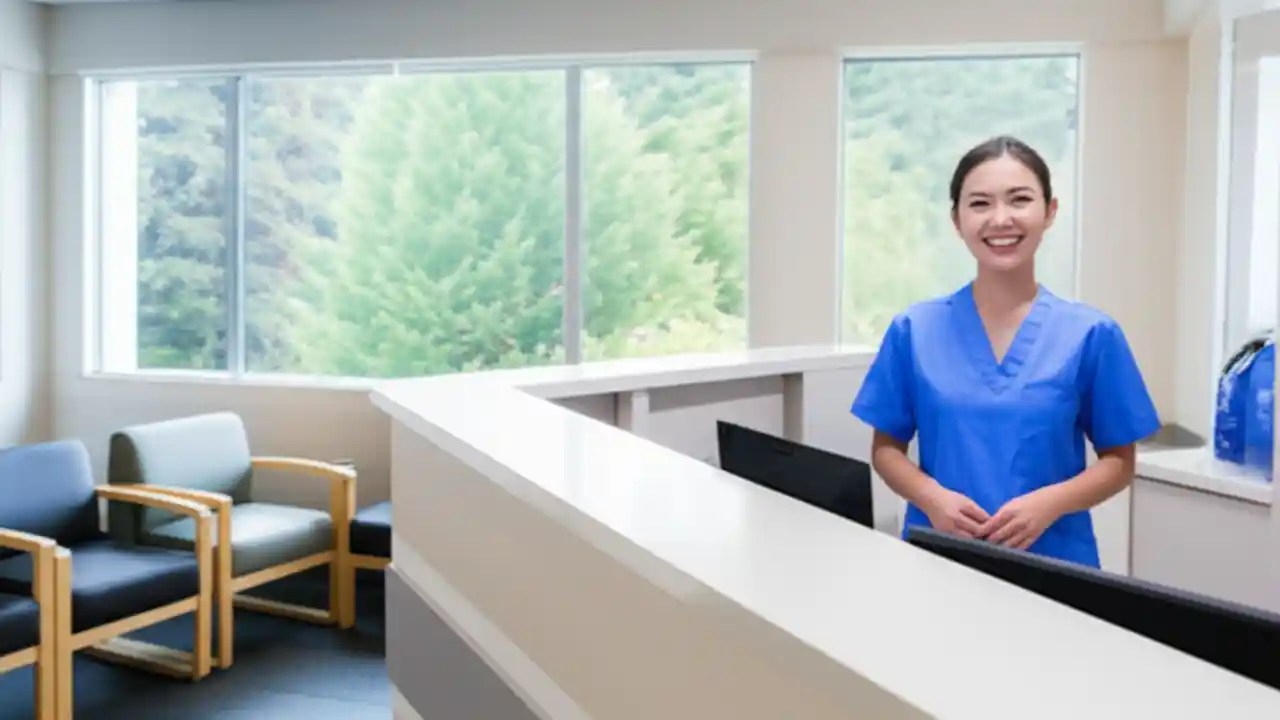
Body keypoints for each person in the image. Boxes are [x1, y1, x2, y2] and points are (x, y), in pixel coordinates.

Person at [850, 135, 1160, 568]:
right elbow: (885, 449)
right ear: (956, 220)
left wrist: (1049, 504)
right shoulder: (914, 329)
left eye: (1019, 200)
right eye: (979, 204)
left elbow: (1119, 462)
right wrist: (932, 498)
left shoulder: (1091, 333)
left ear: (1049, 211)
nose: (1001, 219)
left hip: (1054, 563)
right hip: (939, 556)